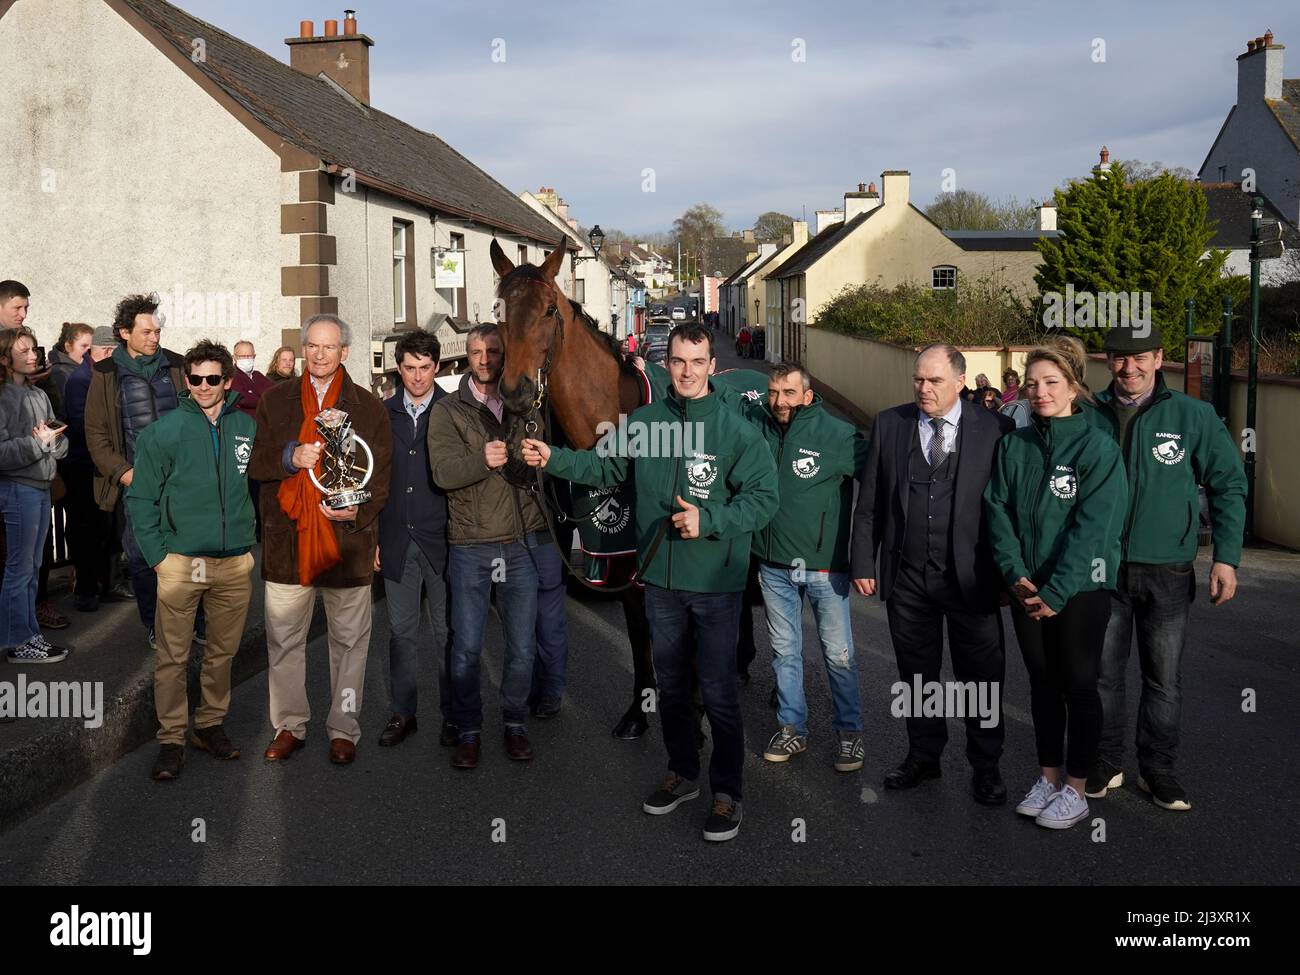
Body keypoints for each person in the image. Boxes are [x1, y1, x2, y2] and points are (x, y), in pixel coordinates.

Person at [523, 323, 779, 843]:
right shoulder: (645, 422)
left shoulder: (737, 431)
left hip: (715, 582)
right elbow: (603, 467)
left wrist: (711, 522)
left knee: (720, 693)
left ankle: (727, 792)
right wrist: (554, 458)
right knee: (672, 691)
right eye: (678, 362)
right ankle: (684, 773)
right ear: (669, 366)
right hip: (659, 582)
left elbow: (764, 499)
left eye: (697, 362)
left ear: (712, 366)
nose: (686, 372)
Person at [1085, 325, 1247, 812]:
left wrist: (1226, 557)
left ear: (1160, 358)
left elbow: (1228, 485)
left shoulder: (1193, 415)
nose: (1129, 368)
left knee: (1163, 679)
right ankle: (1106, 762)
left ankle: (1157, 770)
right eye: (1118, 358)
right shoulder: (1087, 414)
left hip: (1169, 568)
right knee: (1102, 676)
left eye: (1140, 358)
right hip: (1101, 568)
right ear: (1108, 361)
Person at [850, 343, 1014, 805]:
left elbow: (1008, 510)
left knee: (980, 677)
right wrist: (864, 561)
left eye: (935, 381)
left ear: (961, 382)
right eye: (918, 379)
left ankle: (986, 766)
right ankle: (924, 756)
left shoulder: (996, 428)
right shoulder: (891, 423)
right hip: (908, 578)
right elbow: (871, 504)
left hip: (972, 580)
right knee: (918, 676)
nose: (923, 388)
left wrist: (1007, 576)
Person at [983, 339, 1128, 829]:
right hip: (1028, 588)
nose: (1040, 392)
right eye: (1033, 383)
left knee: (1079, 687)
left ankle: (1077, 788)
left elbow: (1094, 529)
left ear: (1073, 388)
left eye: (1051, 383)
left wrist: (1056, 591)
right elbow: (996, 509)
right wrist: (1014, 573)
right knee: (1042, 687)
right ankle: (1047, 779)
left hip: (1079, 590)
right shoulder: (1014, 444)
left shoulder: (1098, 447)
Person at [250, 315, 391, 766]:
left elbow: (381, 477)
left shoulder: (369, 407)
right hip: (289, 541)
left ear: (344, 352)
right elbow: (255, 464)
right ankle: (289, 725)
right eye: (312, 346)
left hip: (347, 543)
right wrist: (290, 455)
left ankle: (344, 728)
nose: (319, 355)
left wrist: (360, 510)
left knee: (349, 644)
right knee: (285, 641)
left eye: (329, 347)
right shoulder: (275, 401)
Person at [427, 324, 561, 768]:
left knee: (522, 646)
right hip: (470, 545)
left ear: (505, 355)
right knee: (465, 647)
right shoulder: (448, 411)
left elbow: (541, 470)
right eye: (476, 352)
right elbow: (443, 474)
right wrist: (479, 461)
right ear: (465, 355)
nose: (484, 359)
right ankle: (468, 729)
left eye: (493, 352)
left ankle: (515, 723)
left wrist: (536, 458)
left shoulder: (524, 406)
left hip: (520, 543)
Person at [125, 340, 257, 781]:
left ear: (228, 381)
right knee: (172, 657)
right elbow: (141, 497)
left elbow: (261, 483)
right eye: (195, 378)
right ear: (186, 380)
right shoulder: (163, 433)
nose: (203, 386)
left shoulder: (246, 427)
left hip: (233, 562)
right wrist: (159, 557)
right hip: (181, 562)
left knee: (222, 653)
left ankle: (209, 725)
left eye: (212, 379)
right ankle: (171, 739)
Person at [751, 363, 869, 771]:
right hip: (772, 565)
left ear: (806, 394)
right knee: (785, 653)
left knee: (838, 655)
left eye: (788, 393)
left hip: (823, 568)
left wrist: (868, 554)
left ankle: (850, 734)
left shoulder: (837, 435)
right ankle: (792, 729)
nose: (779, 401)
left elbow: (878, 484)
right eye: (773, 392)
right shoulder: (759, 427)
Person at [85, 293, 193, 650]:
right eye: (146, 332)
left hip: (180, 481)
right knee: (144, 557)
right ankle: (154, 624)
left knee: (189, 552)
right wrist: (124, 473)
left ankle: (196, 620)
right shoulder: (105, 374)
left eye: (157, 331)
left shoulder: (177, 366)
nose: (154, 338)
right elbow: (97, 432)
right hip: (137, 484)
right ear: (124, 333)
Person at [375, 331, 455, 748]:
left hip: (442, 540)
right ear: (398, 368)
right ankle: (404, 712)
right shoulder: (381, 413)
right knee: (401, 633)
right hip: (394, 538)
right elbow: (373, 479)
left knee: (447, 632)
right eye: (409, 368)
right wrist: (372, 536)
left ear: (436, 368)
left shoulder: (454, 410)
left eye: (425, 368)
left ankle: (452, 715)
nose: (418, 376)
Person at [0, 326, 69, 663]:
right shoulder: (3, 396)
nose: (33, 356)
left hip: (41, 487)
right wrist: (37, 444)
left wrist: (56, 442)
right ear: (4, 358)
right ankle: (17, 641)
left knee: (32, 565)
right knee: (19, 567)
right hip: (18, 489)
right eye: (23, 351)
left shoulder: (38, 394)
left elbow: (55, 433)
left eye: (34, 349)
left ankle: (29, 635)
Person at [61, 327, 123, 612]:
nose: (109, 355)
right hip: (85, 465)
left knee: (109, 528)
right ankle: (86, 589)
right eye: (104, 350)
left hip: (108, 464)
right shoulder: (81, 379)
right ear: (91, 351)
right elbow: (83, 423)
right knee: (87, 530)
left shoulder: (110, 375)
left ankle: (107, 584)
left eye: (113, 350)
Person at [231, 340, 274, 539]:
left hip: (261, 440)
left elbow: (273, 395)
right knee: (245, 486)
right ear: (234, 358)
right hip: (242, 439)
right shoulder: (233, 377)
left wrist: (255, 398)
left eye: (250, 356)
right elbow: (240, 398)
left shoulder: (257, 376)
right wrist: (260, 399)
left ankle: (259, 528)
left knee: (259, 485)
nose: (247, 360)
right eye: (242, 356)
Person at [49, 322, 93, 404]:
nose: (89, 351)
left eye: (92, 347)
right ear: (68, 347)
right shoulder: (60, 373)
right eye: (84, 346)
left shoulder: (89, 369)